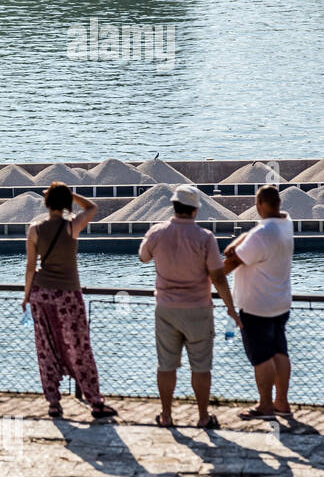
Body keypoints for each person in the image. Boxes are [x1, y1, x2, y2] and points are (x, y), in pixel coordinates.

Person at [139, 185, 239, 428]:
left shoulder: (157, 232)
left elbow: (143, 256)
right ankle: (203, 417)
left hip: (165, 307)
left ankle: (166, 416)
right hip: (198, 309)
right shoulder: (205, 238)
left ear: (173, 206)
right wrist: (230, 308)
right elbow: (217, 277)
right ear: (195, 210)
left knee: (166, 365)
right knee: (201, 366)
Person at [22, 182, 118, 419]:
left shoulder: (34, 229)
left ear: (46, 202)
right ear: (65, 204)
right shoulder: (71, 226)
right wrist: (70, 195)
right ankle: (95, 402)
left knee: (46, 349)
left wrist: (26, 296)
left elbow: (30, 267)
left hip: (41, 293)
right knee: (79, 348)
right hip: (67, 295)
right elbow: (92, 207)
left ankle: (54, 403)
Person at [223, 185, 294, 420]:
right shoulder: (286, 224)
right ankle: (282, 402)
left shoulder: (262, 235)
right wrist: (238, 244)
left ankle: (265, 406)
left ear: (260, 205)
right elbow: (250, 238)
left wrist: (209, 275)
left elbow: (232, 263)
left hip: (256, 307)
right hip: (280, 302)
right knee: (279, 352)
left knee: (261, 357)